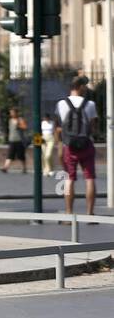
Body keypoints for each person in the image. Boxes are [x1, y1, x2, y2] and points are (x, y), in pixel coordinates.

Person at [56, 78, 98, 216]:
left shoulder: (61, 104)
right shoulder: (90, 104)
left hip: (69, 146)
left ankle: (68, 213)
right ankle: (90, 213)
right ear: (80, 87)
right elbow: (93, 127)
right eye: (84, 86)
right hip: (86, 144)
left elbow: (58, 128)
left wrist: (60, 145)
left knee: (69, 179)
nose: (86, 88)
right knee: (90, 178)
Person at [1, 107, 28, 173]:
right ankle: (5, 167)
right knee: (10, 154)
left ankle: (24, 168)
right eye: (11, 113)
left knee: (21, 155)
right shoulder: (10, 120)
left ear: (16, 113)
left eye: (12, 112)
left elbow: (25, 127)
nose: (11, 114)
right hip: (12, 140)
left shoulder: (20, 119)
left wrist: (19, 126)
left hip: (19, 140)